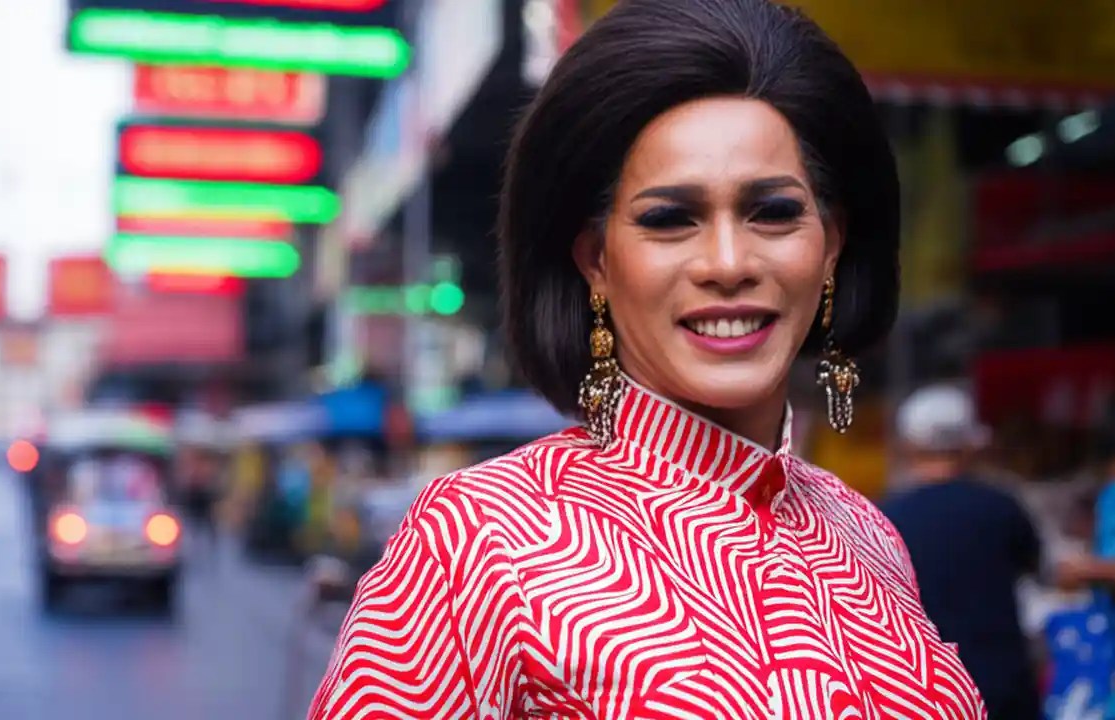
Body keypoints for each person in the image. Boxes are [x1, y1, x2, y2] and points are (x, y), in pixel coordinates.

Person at [309, 0, 984, 716]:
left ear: (832, 244)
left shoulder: (866, 534)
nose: (728, 263)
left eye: (774, 213)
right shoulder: (477, 541)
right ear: (596, 261)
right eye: (669, 220)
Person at [880, 384, 1042, 719]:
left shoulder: (883, 520)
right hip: (1003, 688)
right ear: (970, 445)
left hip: (923, 693)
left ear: (907, 446)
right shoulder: (1001, 507)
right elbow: (1039, 569)